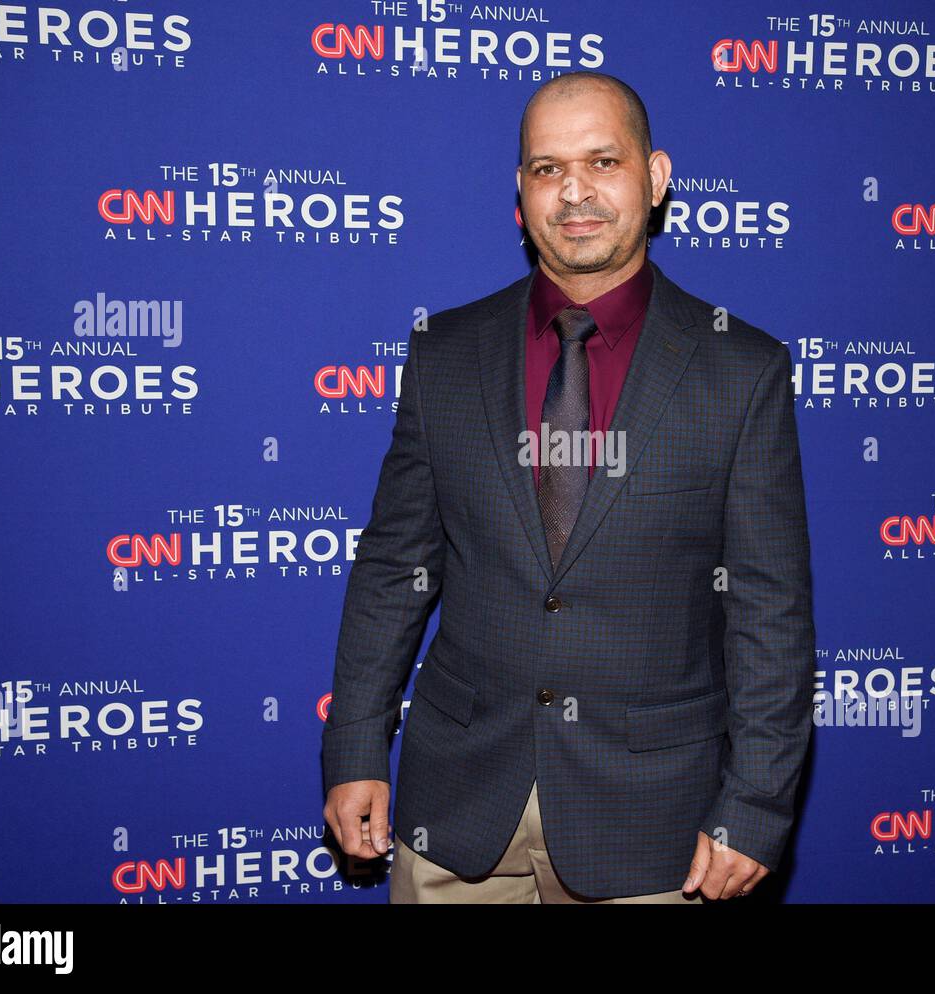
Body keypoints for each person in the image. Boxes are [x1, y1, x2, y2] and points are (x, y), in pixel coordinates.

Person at [321, 70, 815, 903]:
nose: (574, 192)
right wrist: (357, 747)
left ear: (655, 179)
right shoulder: (446, 353)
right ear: (520, 191)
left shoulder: (742, 370)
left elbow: (770, 611)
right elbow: (391, 570)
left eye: (602, 162)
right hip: (458, 808)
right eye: (547, 168)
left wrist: (756, 805)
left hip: (657, 827)